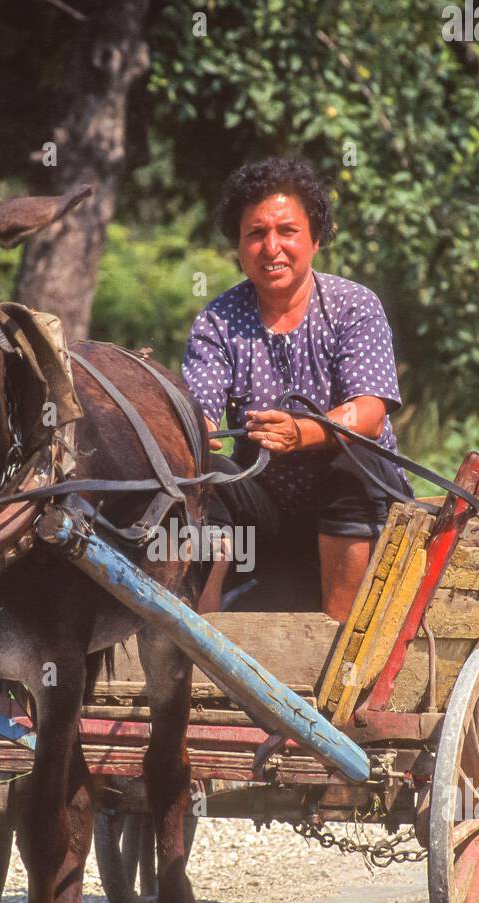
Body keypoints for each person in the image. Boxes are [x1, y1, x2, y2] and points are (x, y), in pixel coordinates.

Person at [181, 157, 411, 621]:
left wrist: (300, 434)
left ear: (316, 239)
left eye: (287, 231)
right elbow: (197, 419)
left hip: (365, 512)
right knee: (205, 473)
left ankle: (335, 641)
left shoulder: (353, 307)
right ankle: (200, 639)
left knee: (355, 465)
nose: (272, 248)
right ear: (239, 246)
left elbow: (369, 413)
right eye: (255, 234)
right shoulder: (217, 321)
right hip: (265, 517)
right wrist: (192, 437)